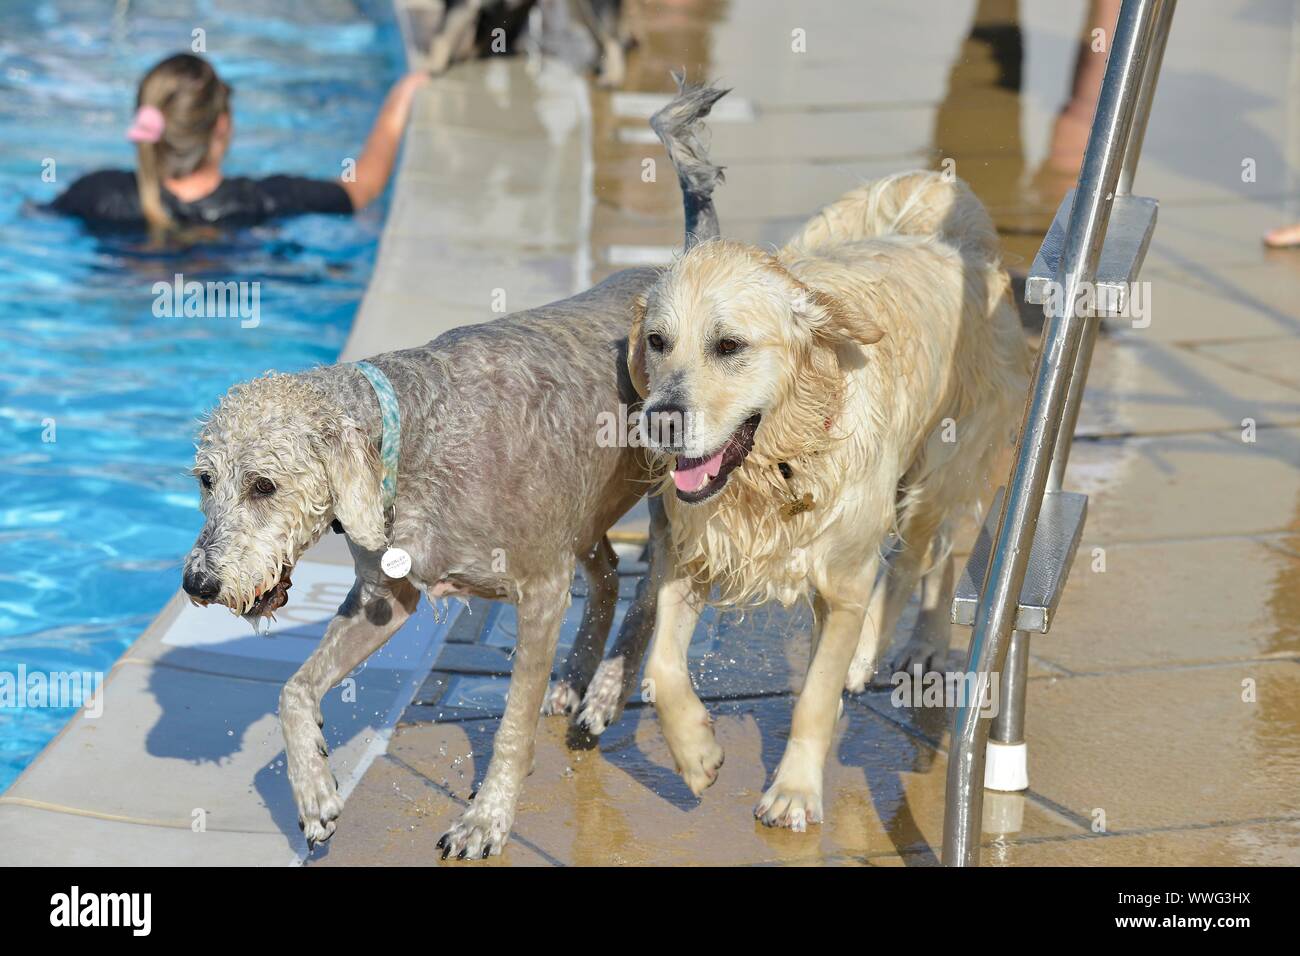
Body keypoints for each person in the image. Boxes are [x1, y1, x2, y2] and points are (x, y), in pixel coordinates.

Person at [50, 52, 427, 233]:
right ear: (222, 126)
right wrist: (400, 98)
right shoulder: (265, 200)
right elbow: (362, 190)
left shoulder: (95, 194)